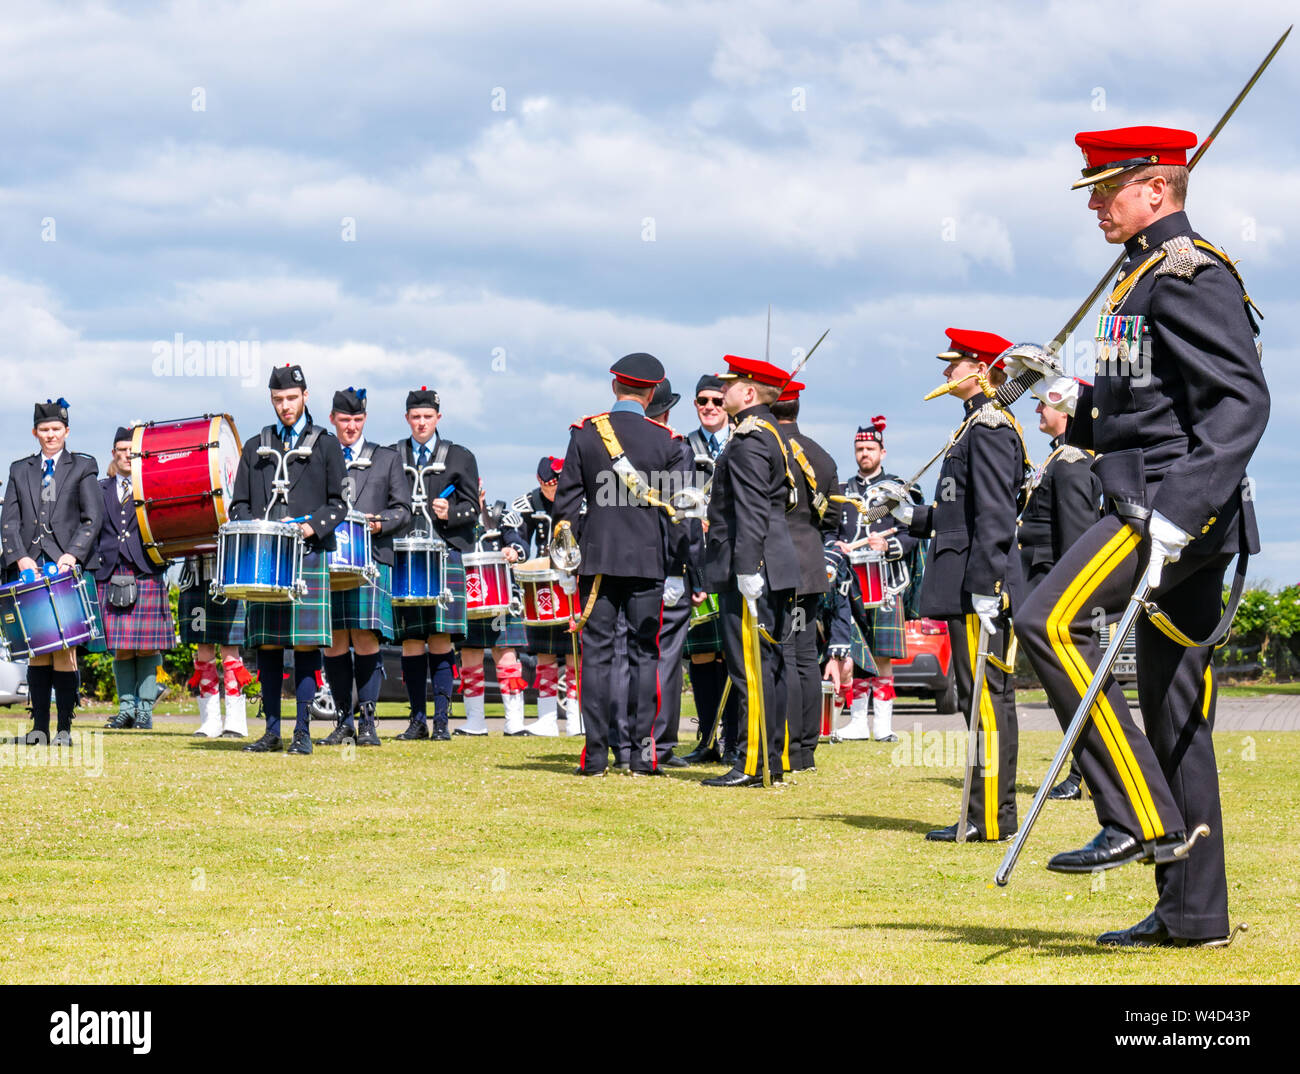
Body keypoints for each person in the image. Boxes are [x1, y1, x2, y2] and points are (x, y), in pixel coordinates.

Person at [1012, 126, 1268, 947]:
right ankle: (1194, 915)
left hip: (1164, 508)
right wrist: (1055, 395)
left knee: (1044, 620)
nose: (1094, 203)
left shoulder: (1192, 273)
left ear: (1157, 189)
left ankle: (1137, 815)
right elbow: (1130, 415)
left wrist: (1176, 511)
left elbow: (1239, 404)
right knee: (1174, 715)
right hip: (1153, 495)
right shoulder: (1140, 278)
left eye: (1107, 188)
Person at [890, 329, 1027, 840]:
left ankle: (988, 817)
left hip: (979, 582)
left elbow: (995, 513)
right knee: (977, 699)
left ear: (980, 368)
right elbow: (958, 511)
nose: (947, 373)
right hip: (968, 576)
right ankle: (982, 813)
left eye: (956, 364)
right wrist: (913, 515)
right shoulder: (972, 427)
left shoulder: (989, 427)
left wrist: (988, 582)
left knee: (986, 701)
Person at [552, 352, 686, 776]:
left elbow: (566, 507)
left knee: (597, 657)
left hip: (597, 561)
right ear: (652, 394)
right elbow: (681, 514)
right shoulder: (668, 442)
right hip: (649, 563)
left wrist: (565, 563)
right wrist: (685, 567)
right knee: (646, 656)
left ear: (616, 388)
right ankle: (641, 756)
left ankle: (594, 757)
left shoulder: (586, 434)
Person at [229, 364, 346, 755]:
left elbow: (339, 504)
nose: (285, 406)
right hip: (266, 558)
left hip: (308, 554)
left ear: (305, 396)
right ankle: (271, 731)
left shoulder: (326, 445)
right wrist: (259, 531)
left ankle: (303, 731)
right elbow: (239, 505)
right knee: (267, 647)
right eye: (278, 400)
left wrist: (312, 528)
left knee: (305, 647)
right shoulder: (256, 446)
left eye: (292, 398)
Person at [700, 355, 800, 788]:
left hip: (752, 565)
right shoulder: (767, 435)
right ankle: (770, 760)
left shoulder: (749, 440)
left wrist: (746, 567)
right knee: (767, 666)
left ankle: (753, 762)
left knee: (752, 669)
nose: (722, 393)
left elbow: (752, 509)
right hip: (769, 560)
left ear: (749, 392)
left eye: (729, 385)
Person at [1, 398, 103, 746]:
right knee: (37, 649)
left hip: (64, 569)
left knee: (65, 650)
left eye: (56, 429)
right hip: (29, 568)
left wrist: (72, 556)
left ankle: (64, 729)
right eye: (44, 430)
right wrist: (19, 559)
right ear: (35, 432)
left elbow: (93, 519)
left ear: (66, 431)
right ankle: (39, 729)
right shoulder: (19, 470)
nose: (50, 435)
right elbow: (9, 523)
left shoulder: (83, 467)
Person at [316, 387, 412, 748]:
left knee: (365, 636)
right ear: (332, 419)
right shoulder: (321, 456)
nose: (351, 426)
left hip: (370, 559)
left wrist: (377, 524)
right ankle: (343, 722)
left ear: (365, 420)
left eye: (357, 420)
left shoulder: (386, 458)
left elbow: (403, 510)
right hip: (327, 558)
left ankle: (369, 721)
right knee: (335, 640)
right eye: (344, 420)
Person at [1017, 398, 1101, 799]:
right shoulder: (1059, 460)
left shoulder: (1071, 465)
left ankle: (1085, 774)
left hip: (1061, 592)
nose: (1038, 412)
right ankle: (1085, 772)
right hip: (1046, 585)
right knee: (1065, 690)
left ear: (1066, 412)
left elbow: (1077, 541)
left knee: (1074, 688)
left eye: (1044, 406)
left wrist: (1072, 600)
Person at [388, 387, 479, 742]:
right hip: (406, 556)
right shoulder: (393, 455)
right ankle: (417, 720)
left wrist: (451, 512)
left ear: (438, 418)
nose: (422, 423)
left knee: (441, 638)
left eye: (427, 417)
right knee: (411, 639)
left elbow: (473, 509)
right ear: (407, 419)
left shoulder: (460, 456)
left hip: (444, 553)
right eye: (415, 417)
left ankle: (442, 720)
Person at [831, 416, 923, 742]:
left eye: (870, 448)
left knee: (882, 655)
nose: (864, 454)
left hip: (886, 584)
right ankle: (857, 722)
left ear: (883, 452)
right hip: (851, 585)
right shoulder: (841, 493)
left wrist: (888, 544)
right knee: (858, 654)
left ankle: (883, 725)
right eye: (859, 448)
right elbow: (832, 532)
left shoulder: (897, 490)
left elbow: (916, 532)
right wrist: (837, 546)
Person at [771, 379, 840, 772]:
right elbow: (830, 517)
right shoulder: (821, 454)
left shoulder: (764, 448)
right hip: (811, 563)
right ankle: (805, 750)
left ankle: (787, 747)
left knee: (784, 656)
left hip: (778, 563)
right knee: (804, 657)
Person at [93, 426, 176, 731]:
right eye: (121, 449)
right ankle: (126, 709)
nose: (127, 454)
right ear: (113, 453)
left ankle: (144, 711)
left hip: (145, 570)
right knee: (121, 646)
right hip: (110, 572)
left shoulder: (154, 487)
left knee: (147, 646)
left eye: (132, 449)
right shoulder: (99, 489)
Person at [681, 374, 741, 765]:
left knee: (733, 654)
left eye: (717, 400)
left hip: (737, 558)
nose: (709, 407)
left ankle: (735, 739)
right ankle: (706, 739)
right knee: (702, 654)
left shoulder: (745, 440)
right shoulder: (684, 447)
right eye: (703, 400)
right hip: (698, 561)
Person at [642, 377, 699, 769]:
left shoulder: (609, 441)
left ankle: (625, 739)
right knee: (665, 659)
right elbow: (685, 514)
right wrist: (694, 569)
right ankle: (657, 746)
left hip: (621, 566)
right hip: (667, 567)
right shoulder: (674, 447)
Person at [507, 456, 581, 737]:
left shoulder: (580, 500)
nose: (559, 487)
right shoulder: (527, 503)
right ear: (541, 482)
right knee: (545, 655)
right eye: (553, 484)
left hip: (574, 582)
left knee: (577, 656)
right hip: (541, 587)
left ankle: (576, 718)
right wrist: (515, 549)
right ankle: (547, 718)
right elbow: (514, 530)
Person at [457, 481, 530, 736]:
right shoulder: (453, 521)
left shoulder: (500, 516)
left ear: (482, 493)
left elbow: (520, 544)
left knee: (507, 657)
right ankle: (475, 722)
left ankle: (515, 723)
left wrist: (514, 551)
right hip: (469, 599)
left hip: (502, 597)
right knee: (469, 657)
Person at [182, 552, 252, 739]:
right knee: (203, 646)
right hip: (195, 574)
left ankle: (235, 722)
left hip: (229, 573)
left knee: (230, 646)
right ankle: (210, 722)